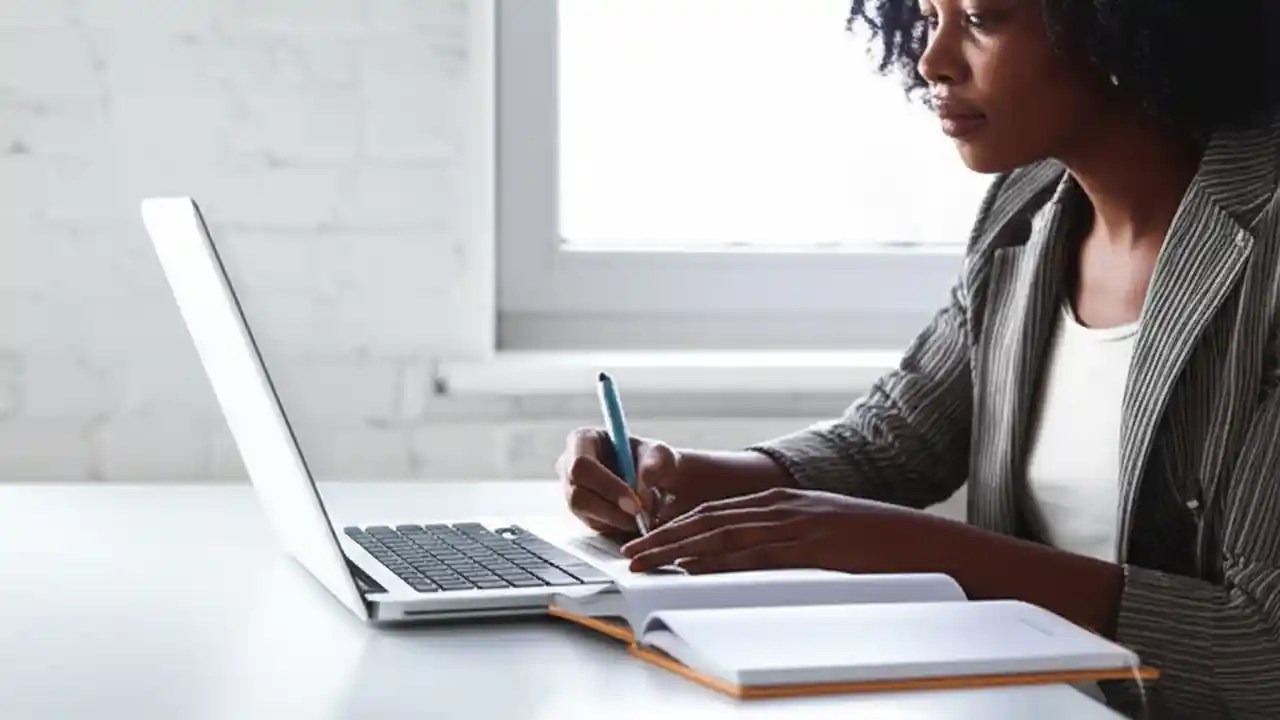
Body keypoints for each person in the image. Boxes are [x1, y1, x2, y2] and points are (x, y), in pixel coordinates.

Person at [557, 0, 1280, 717]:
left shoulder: (1266, 244)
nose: (930, 61)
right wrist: (688, 478)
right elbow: (895, 441)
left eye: (981, 19)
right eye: (929, 16)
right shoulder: (1026, 210)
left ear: (1117, 26)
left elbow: (1261, 647)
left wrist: (928, 551)